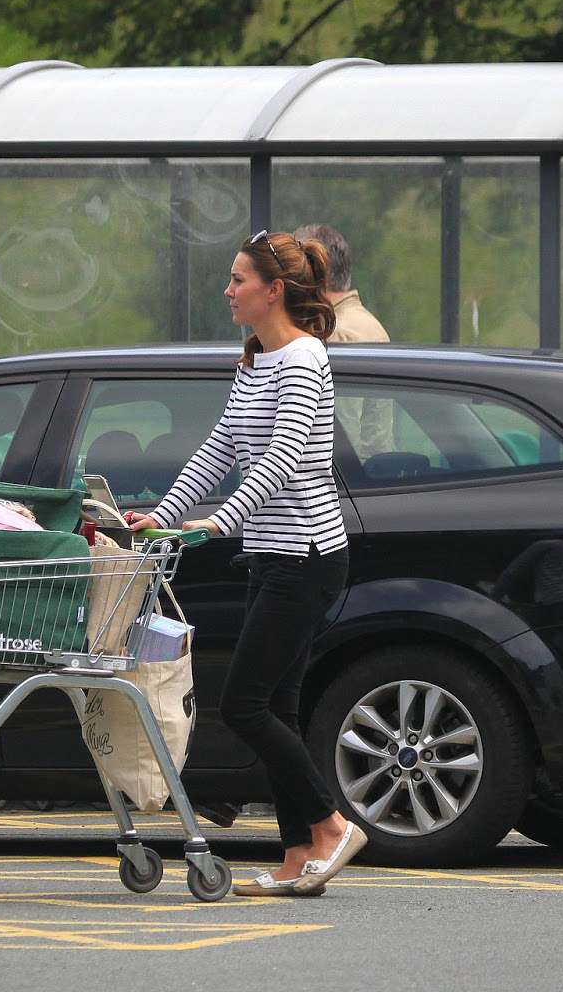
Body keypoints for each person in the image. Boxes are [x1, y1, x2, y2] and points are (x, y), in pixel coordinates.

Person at [128, 228, 366, 897]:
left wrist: (222, 521)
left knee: (246, 704)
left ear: (275, 289)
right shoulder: (257, 359)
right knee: (279, 709)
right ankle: (297, 859)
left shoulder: (304, 358)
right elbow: (222, 445)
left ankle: (329, 824)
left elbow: (284, 455)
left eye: (238, 280)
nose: (227, 291)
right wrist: (167, 513)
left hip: (307, 555)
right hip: (272, 556)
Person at [292, 223, 393, 457]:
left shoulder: (333, 333)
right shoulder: (367, 323)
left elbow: (338, 429)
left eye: (293, 267)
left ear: (311, 272)